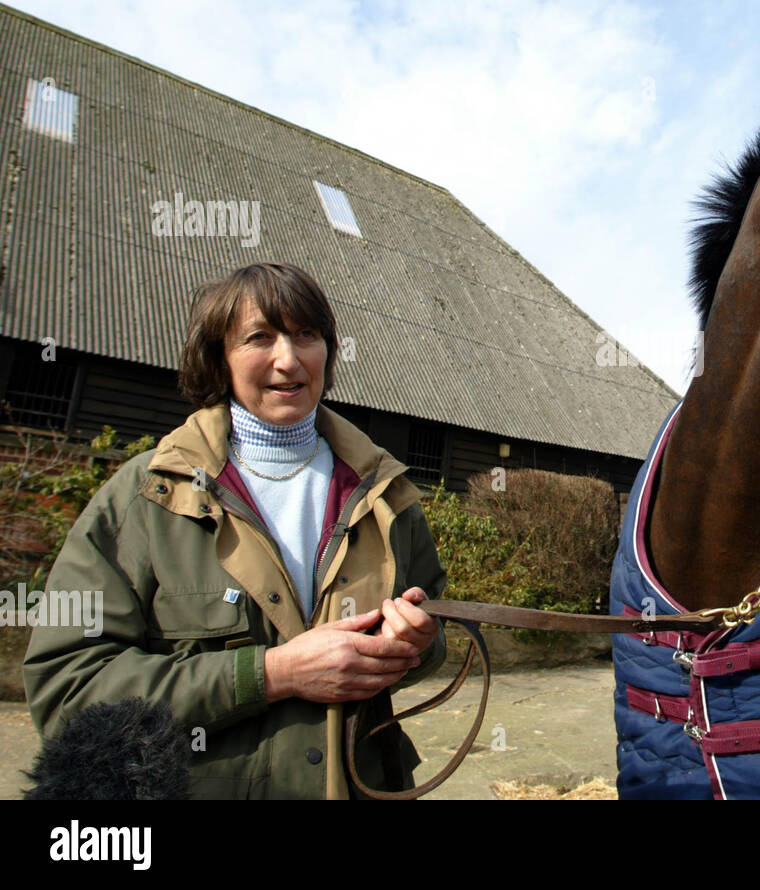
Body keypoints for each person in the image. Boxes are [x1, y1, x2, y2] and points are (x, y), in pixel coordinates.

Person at [24, 262, 447, 798]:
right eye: (259, 338)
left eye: (306, 335)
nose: (288, 360)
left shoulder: (387, 492)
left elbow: (434, 631)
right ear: (218, 359)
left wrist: (414, 646)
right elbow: (68, 689)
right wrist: (271, 675)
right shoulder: (144, 496)